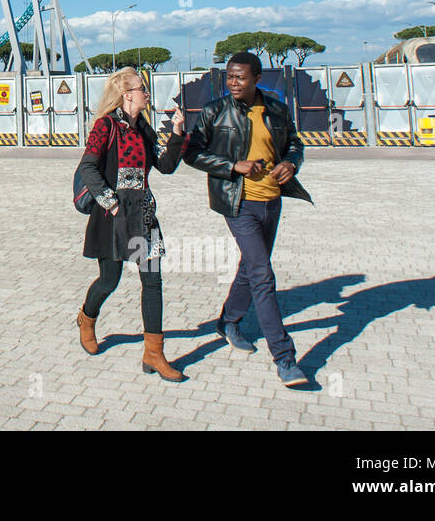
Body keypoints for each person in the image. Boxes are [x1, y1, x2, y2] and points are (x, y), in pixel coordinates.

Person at [182, 51, 314, 388]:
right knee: (262, 274)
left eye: (240, 77)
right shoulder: (215, 111)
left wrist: (292, 163)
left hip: (272, 201)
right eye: (229, 77)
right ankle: (285, 359)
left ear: (257, 78)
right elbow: (192, 154)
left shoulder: (277, 109)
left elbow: (295, 144)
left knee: (251, 266)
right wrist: (232, 166)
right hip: (237, 202)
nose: (233, 83)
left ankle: (228, 321)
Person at [74, 67, 188, 381]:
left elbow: (165, 166)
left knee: (152, 281)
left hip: (143, 214)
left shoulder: (144, 128)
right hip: (113, 216)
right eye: (142, 88)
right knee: (109, 280)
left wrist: (177, 133)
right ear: (127, 94)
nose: (146, 93)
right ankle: (87, 317)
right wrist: (109, 202)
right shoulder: (106, 125)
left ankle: (154, 353)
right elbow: (88, 166)